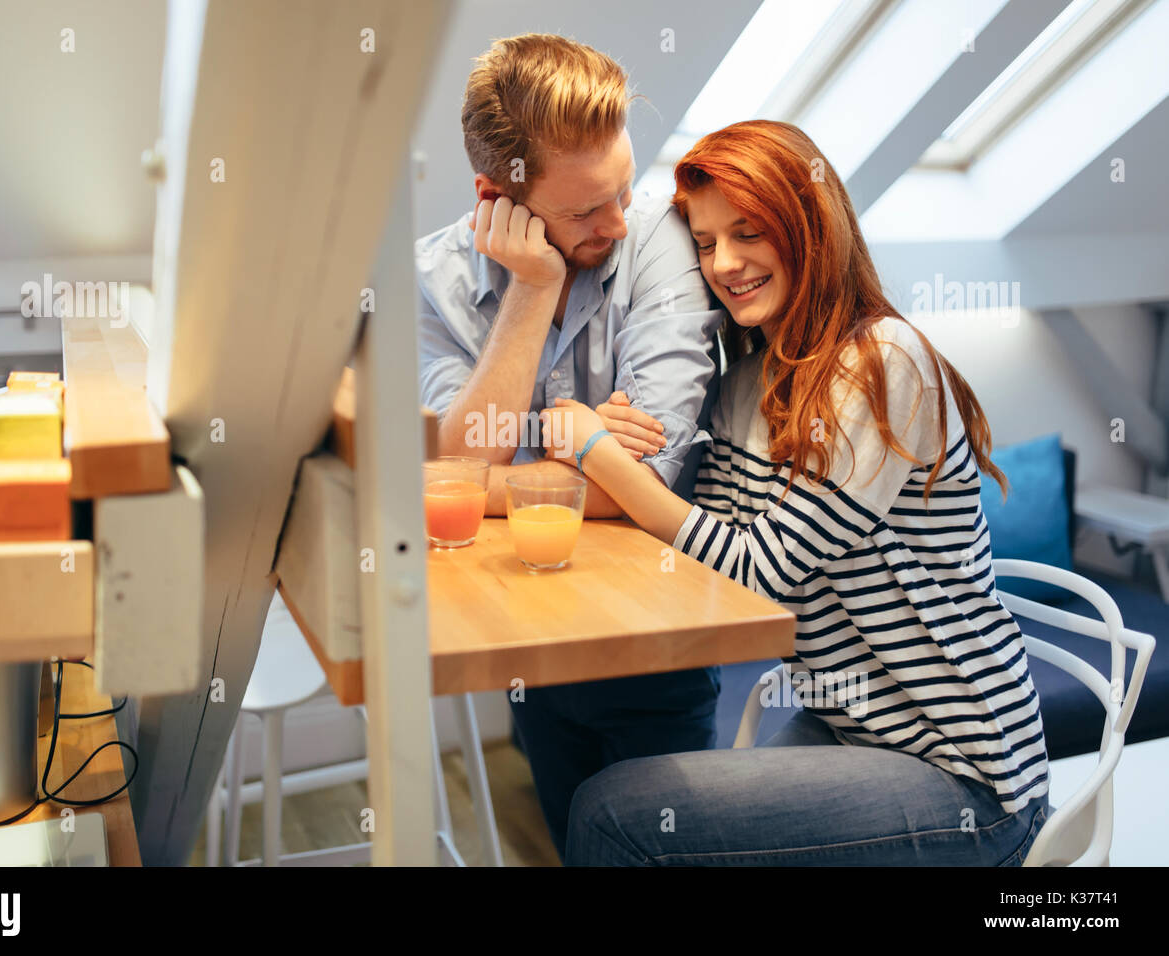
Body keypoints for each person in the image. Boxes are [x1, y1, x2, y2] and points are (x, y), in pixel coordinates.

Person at [540, 120, 1051, 865]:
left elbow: (760, 570)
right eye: (708, 243)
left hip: (965, 773)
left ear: (808, 225)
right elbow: (702, 550)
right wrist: (618, 441)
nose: (725, 263)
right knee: (625, 792)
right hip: (851, 729)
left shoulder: (881, 364)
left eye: (748, 233)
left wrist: (591, 447)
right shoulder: (747, 379)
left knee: (615, 815)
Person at [414, 34, 726, 861]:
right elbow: (447, 480)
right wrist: (534, 288)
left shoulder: (657, 234)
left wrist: (510, 470)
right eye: (585, 211)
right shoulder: (430, 281)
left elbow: (649, 475)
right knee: (572, 845)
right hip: (525, 640)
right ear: (497, 197)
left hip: (657, 642)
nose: (616, 222)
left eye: (621, 189)